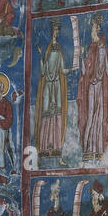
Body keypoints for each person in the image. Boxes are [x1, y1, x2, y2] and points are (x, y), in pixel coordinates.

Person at [77, 16, 108, 163]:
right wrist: (81, 57)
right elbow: (85, 72)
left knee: (100, 116)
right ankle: (87, 150)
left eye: (93, 28)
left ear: (96, 29)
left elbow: (105, 68)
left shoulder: (101, 46)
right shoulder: (92, 47)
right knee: (91, 115)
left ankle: (96, 150)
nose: (92, 30)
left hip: (99, 86)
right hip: (92, 86)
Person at [34, 20, 69, 158]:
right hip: (48, 85)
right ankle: (44, 147)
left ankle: (55, 146)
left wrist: (72, 68)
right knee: (46, 113)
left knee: (57, 112)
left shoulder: (59, 51)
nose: (57, 33)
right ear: (52, 32)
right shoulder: (48, 51)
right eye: (55, 30)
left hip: (56, 85)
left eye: (58, 31)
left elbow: (63, 69)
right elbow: (42, 72)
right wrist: (40, 56)